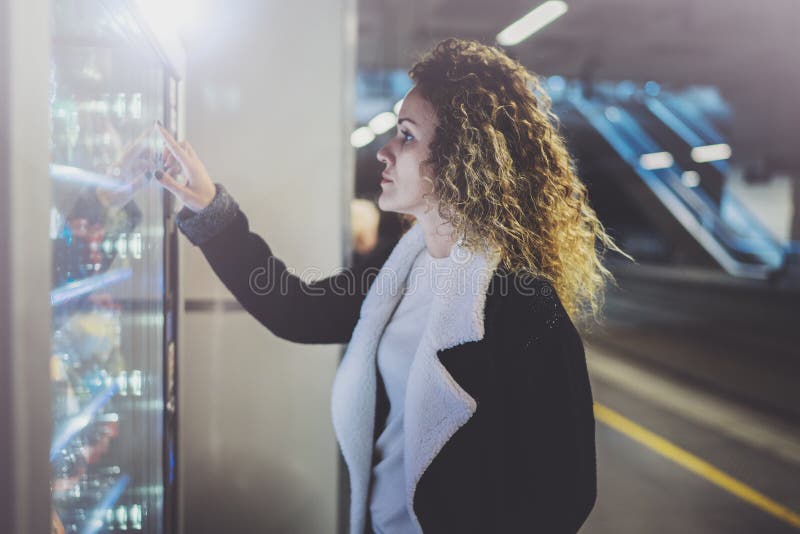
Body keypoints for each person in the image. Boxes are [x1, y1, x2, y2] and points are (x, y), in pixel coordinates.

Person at [153, 38, 633, 534]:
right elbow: (292, 309)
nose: (384, 151)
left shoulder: (523, 302)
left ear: (462, 157)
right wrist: (210, 210)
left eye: (405, 136)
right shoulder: (399, 271)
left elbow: (566, 491)